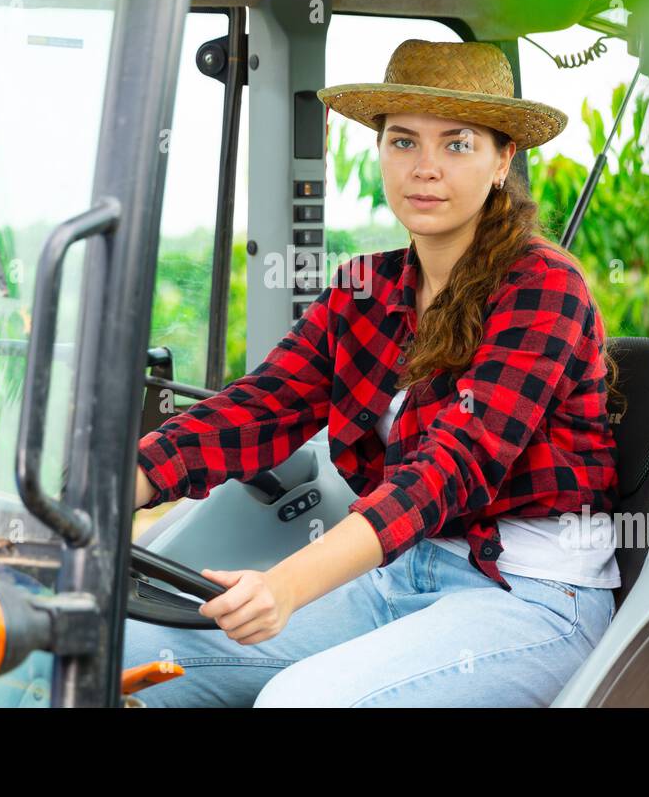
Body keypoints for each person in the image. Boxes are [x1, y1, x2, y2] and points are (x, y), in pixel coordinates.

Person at [125, 38, 621, 707]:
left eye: (457, 144)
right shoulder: (365, 287)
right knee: (126, 649)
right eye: (403, 142)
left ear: (504, 158)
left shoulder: (544, 288)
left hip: (530, 598)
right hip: (398, 576)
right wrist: (123, 482)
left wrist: (288, 586)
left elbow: (452, 467)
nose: (425, 168)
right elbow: (262, 405)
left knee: (299, 703)